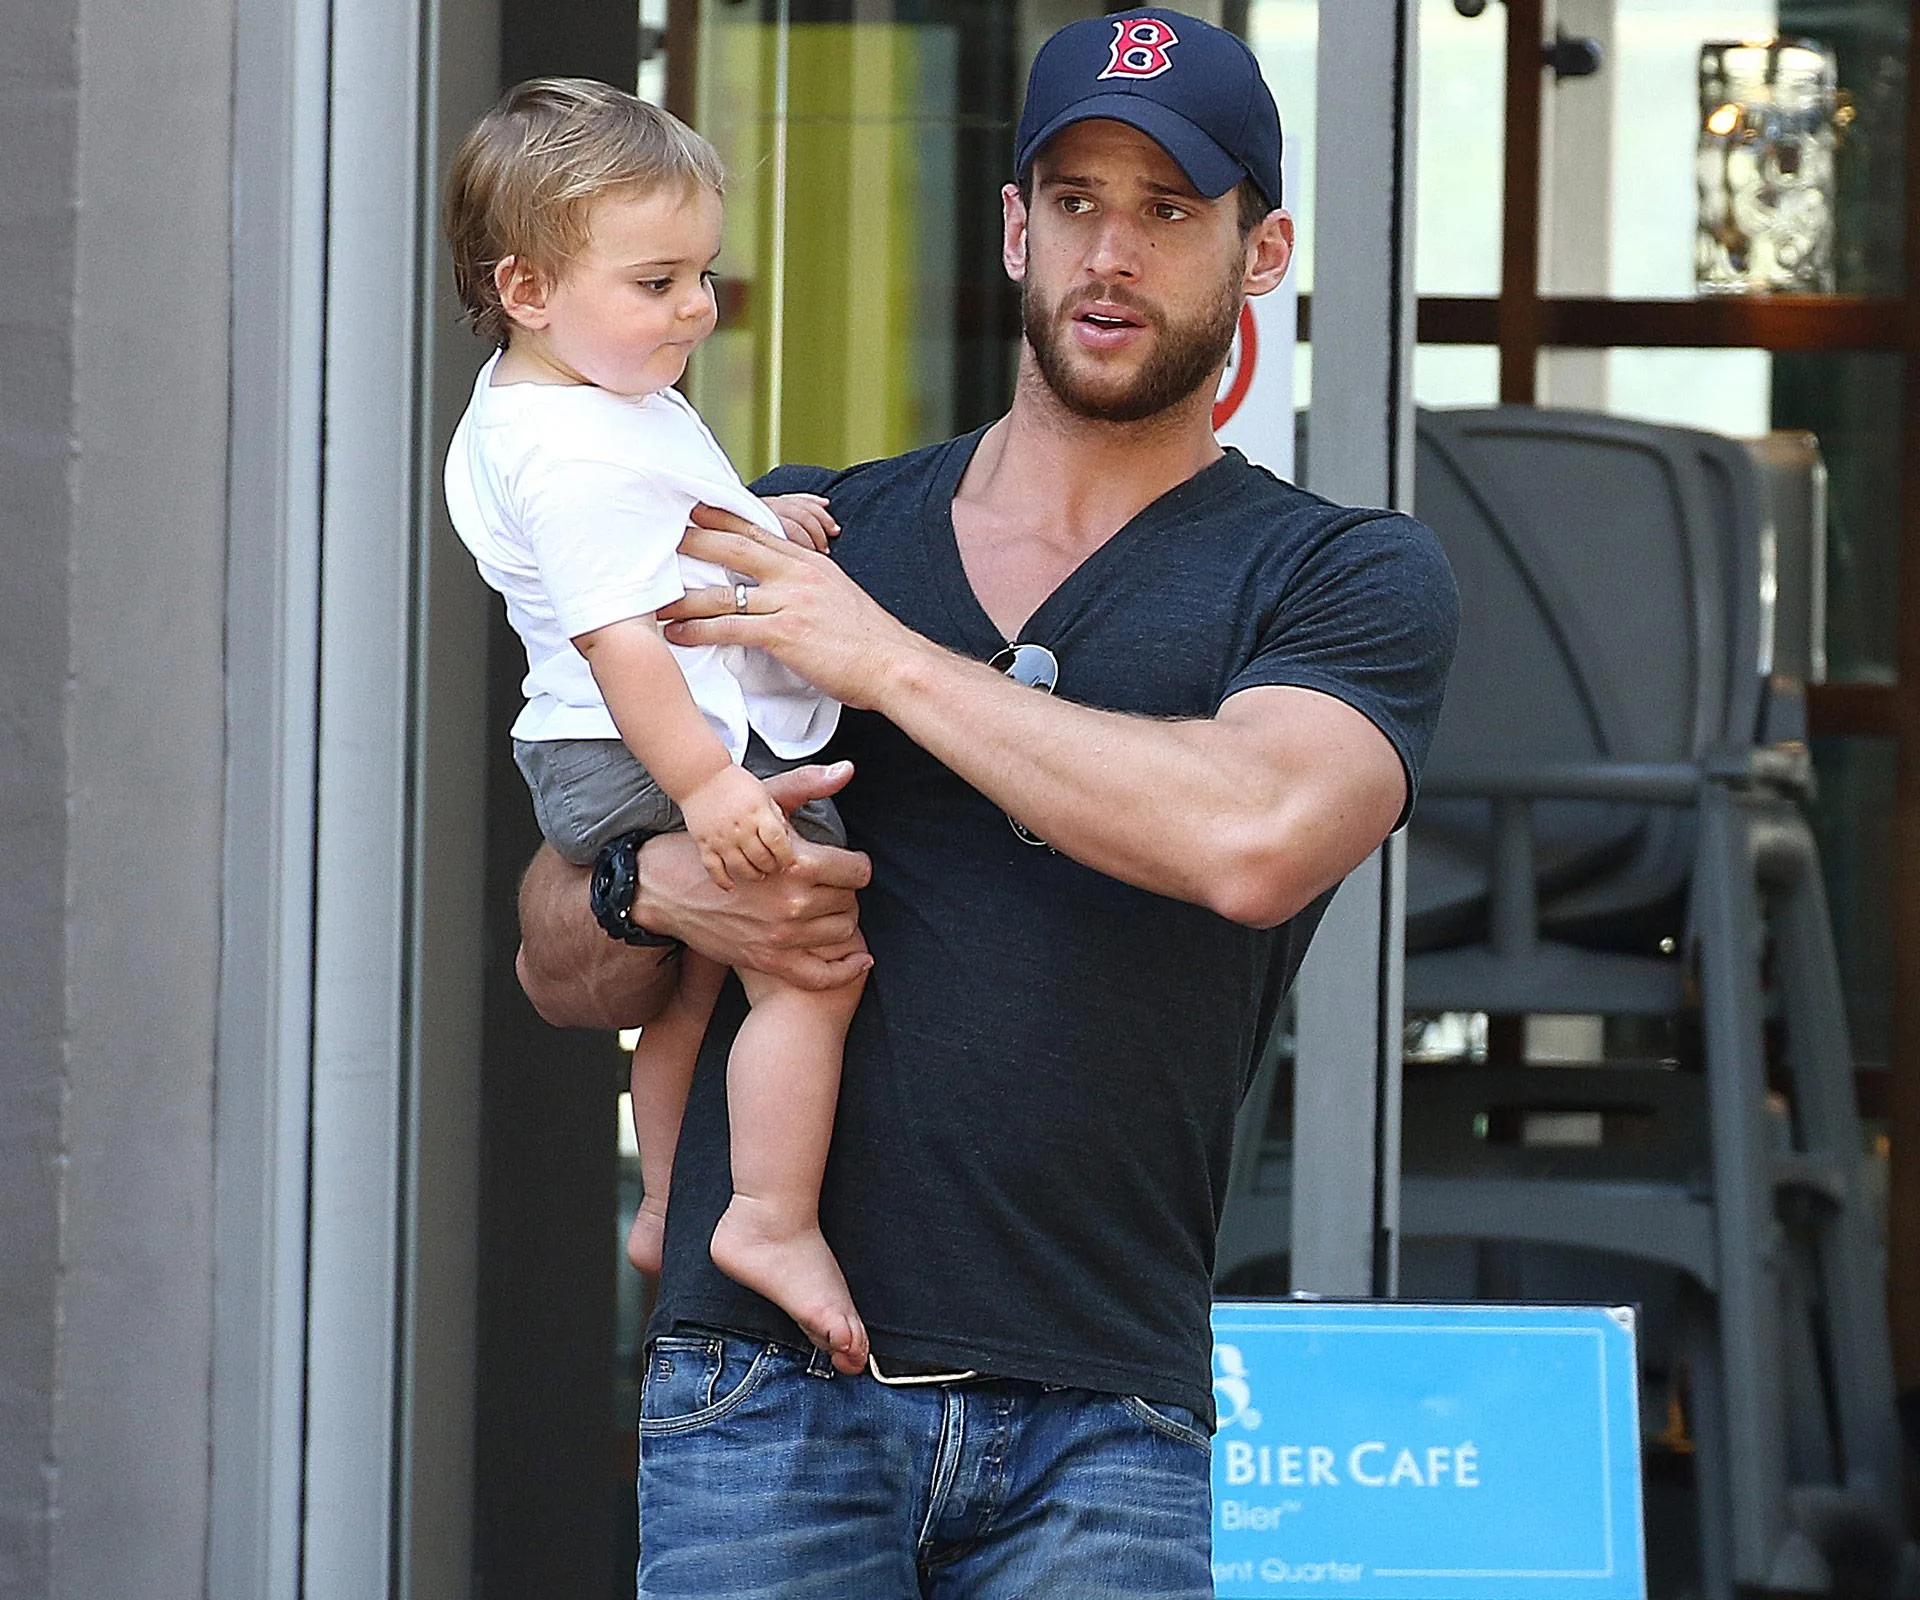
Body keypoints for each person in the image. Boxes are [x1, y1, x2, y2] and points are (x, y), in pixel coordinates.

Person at [518, 9, 1459, 1596]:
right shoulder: (799, 533)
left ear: (1263, 249)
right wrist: (647, 892)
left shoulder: (1341, 571)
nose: (1114, 251)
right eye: (1077, 200)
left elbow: (1254, 837)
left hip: (1110, 1416)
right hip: (765, 1394)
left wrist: (886, 663)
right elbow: (554, 956)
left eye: (1170, 210)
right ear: (1016, 228)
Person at [442, 78, 869, 1372]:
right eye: (659, 280)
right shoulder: (563, 450)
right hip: (643, 740)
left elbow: (664, 524)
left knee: (692, 987)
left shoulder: (582, 400)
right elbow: (622, 636)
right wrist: (709, 789)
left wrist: (751, 517)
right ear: (527, 290)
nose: (697, 306)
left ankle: (674, 1206)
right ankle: (770, 1216)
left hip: (605, 743)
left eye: (704, 273)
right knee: (811, 960)